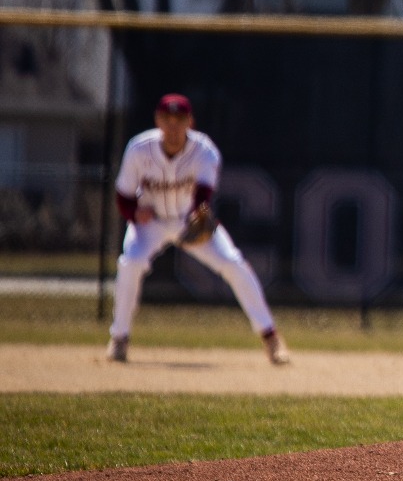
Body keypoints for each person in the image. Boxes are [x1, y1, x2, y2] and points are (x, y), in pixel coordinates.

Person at [106, 93, 289, 365]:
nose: (173, 126)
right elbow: (123, 196)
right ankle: (119, 338)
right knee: (130, 263)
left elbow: (203, 196)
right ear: (158, 121)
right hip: (150, 222)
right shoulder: (139, 148)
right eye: (167, 119)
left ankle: (270, 337)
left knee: (233, 263)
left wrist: (199, 216)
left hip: (186, 220)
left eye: (179, 120)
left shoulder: (204, 151)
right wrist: (134, 213)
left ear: (190, 122)